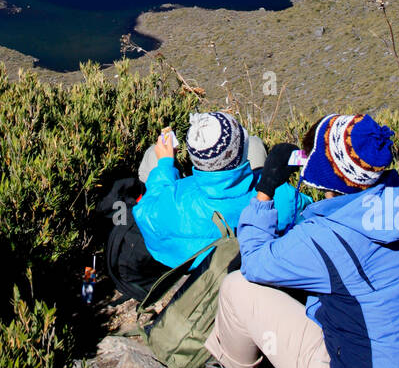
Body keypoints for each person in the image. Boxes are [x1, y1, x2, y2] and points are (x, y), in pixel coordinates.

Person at [184, 113, 399, 368]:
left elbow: (254, 263)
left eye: (313, 154)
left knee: (236, 288)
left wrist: (265, 191)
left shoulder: (326, 238)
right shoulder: (394, 199)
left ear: (325, 173)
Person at [105, 111, 309, 302]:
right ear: (241, 153)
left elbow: (146, 209)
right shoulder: (283, 197)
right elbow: (306, 212)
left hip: (185, 261)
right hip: (240, 265)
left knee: (153, 154)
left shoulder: (166, 204)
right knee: (256, 143)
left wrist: (166, 164)